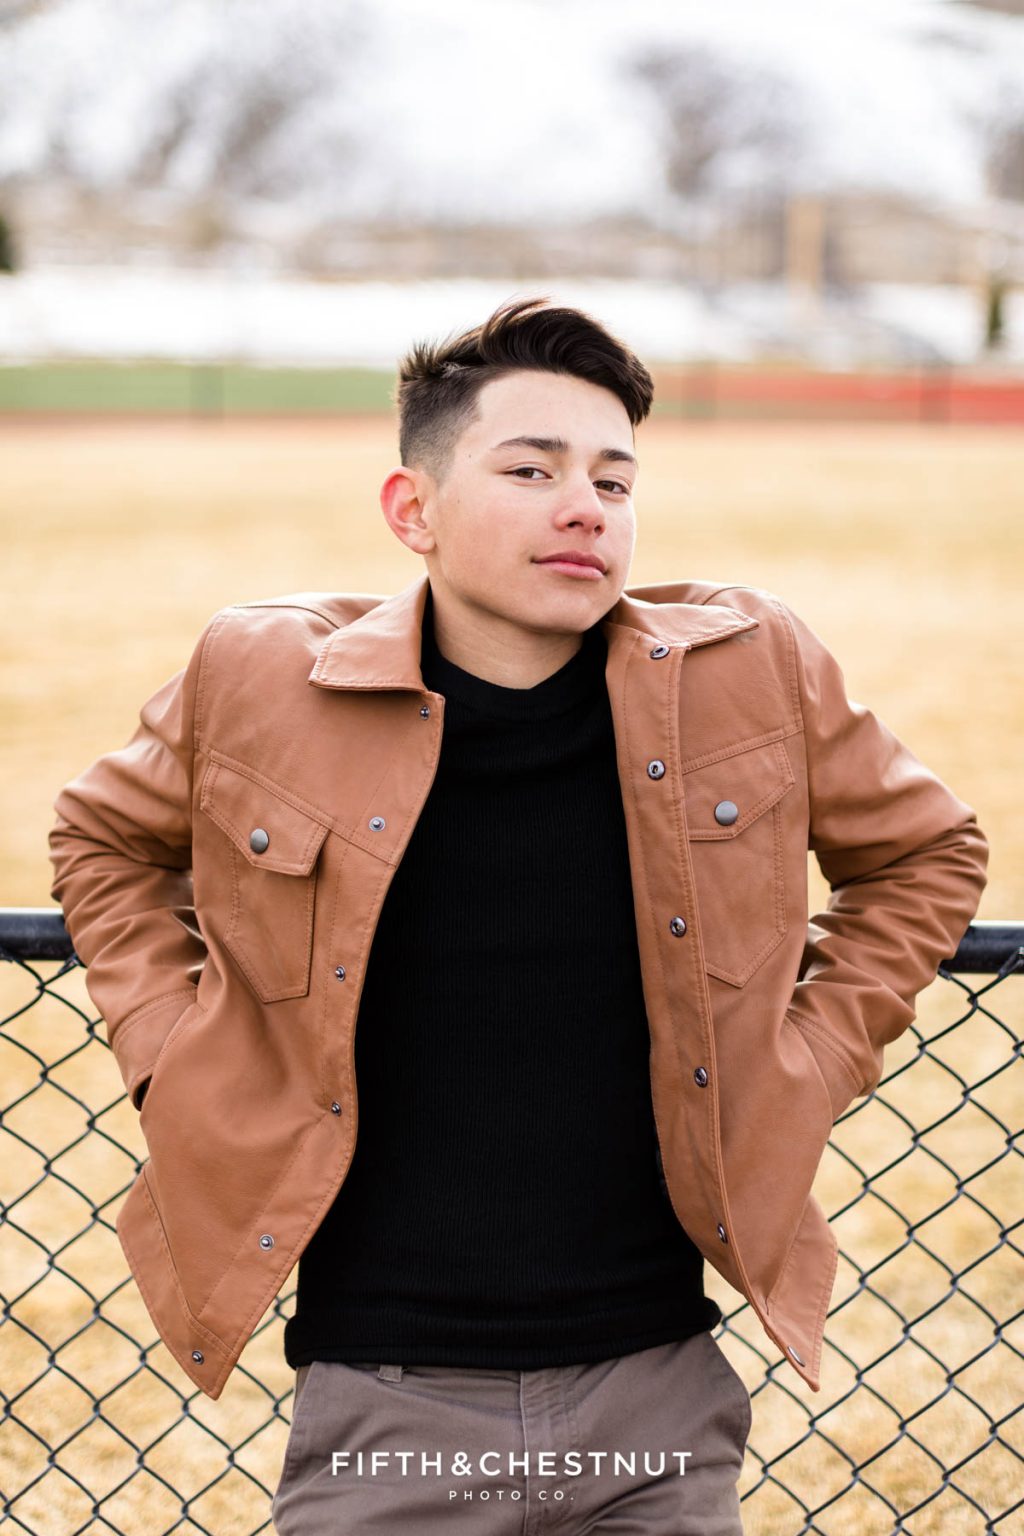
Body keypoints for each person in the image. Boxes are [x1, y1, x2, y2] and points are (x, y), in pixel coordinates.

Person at [48, 296, 989, 1534]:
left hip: (657, 1389)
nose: (584, 506)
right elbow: (101, 838)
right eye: (531, 469)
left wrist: (810, 1059)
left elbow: (927, 850)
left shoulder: (751, 669)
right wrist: (171, 1056)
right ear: (413, 510)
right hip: (387, 1399)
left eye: (614, 476)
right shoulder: (260, 675)